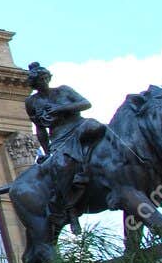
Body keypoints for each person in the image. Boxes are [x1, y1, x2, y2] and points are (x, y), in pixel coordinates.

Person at [24, 61, 106, 233]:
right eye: (38, 80)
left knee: (98, 128)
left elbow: (85, 103)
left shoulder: (63, 90)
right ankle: (71, 209)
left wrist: (60, 109)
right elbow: (40, 129)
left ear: (48, 78)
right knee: (61, 165)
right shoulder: (32, 102)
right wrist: (47, 152)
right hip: (59, 136)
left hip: (78, 124)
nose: (43, 82)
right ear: (34, 84)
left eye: (44, 78)